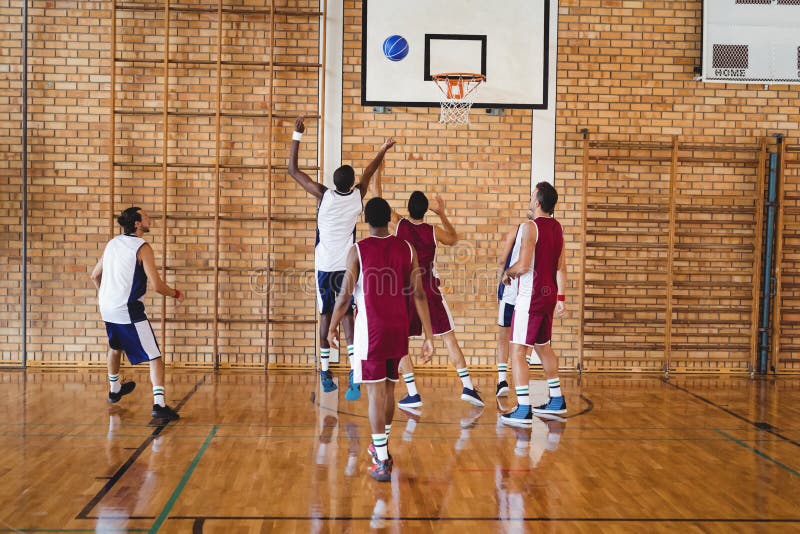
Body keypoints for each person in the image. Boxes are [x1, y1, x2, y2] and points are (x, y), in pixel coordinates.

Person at [327, 197, 434, 482]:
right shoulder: (406, 247)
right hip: (398, 328)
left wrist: (331, 328)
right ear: (389, 219)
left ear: (366, 221)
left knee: (375, 393)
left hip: (372, 331)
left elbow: (343, 296)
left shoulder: (358, 250)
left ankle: (383, 459)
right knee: (388, 391)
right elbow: (420, 294)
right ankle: (380, 446)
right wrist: (429, 335)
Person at [288, 117, 396, 398]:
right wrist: (383, 149)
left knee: (325, 315)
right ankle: (353, 371)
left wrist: (296, 136)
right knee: (348, 314)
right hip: (348, 265)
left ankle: (325, 372)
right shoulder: (358, 196)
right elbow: (369, 173)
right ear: (351, 183)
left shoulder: (322, 195)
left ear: (333, 181)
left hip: (324, 266)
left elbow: (293, 170)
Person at [371, 177, 484, 409]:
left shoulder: (400, 225)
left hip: (405, 292)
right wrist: (442, 213)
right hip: (429, 291)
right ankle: (468, 386)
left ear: (408, 208)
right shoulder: (433, 231)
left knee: (400, 344)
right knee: (448, 338)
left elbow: (378, 198)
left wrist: (379, 169)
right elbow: (453, 239)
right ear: (425, 211)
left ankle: (413, 393)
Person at [90, 207, 184, 421]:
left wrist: (107, 296)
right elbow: (158, 286)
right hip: (128, 309)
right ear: (138, 223)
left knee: (115, 348)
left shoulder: (112, 243)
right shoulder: (142, 247)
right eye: (147, 216)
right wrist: (176, 293)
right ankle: (159, 405)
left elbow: (95, 275)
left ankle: (114, 389)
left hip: (107, 306)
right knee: (155, 356)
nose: (150, 219)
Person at [500, 183, 568, 427]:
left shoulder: (530, 227)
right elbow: (561, 266)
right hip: (548, 295)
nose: (529, 199)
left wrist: (508, 272)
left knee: (517, 351)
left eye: (531, 196)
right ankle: (557, 399)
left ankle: (523, 408)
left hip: (531, 296)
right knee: (543, 348)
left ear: (538, 202)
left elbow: (525, 265)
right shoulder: (558, 228)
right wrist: (561, 298)